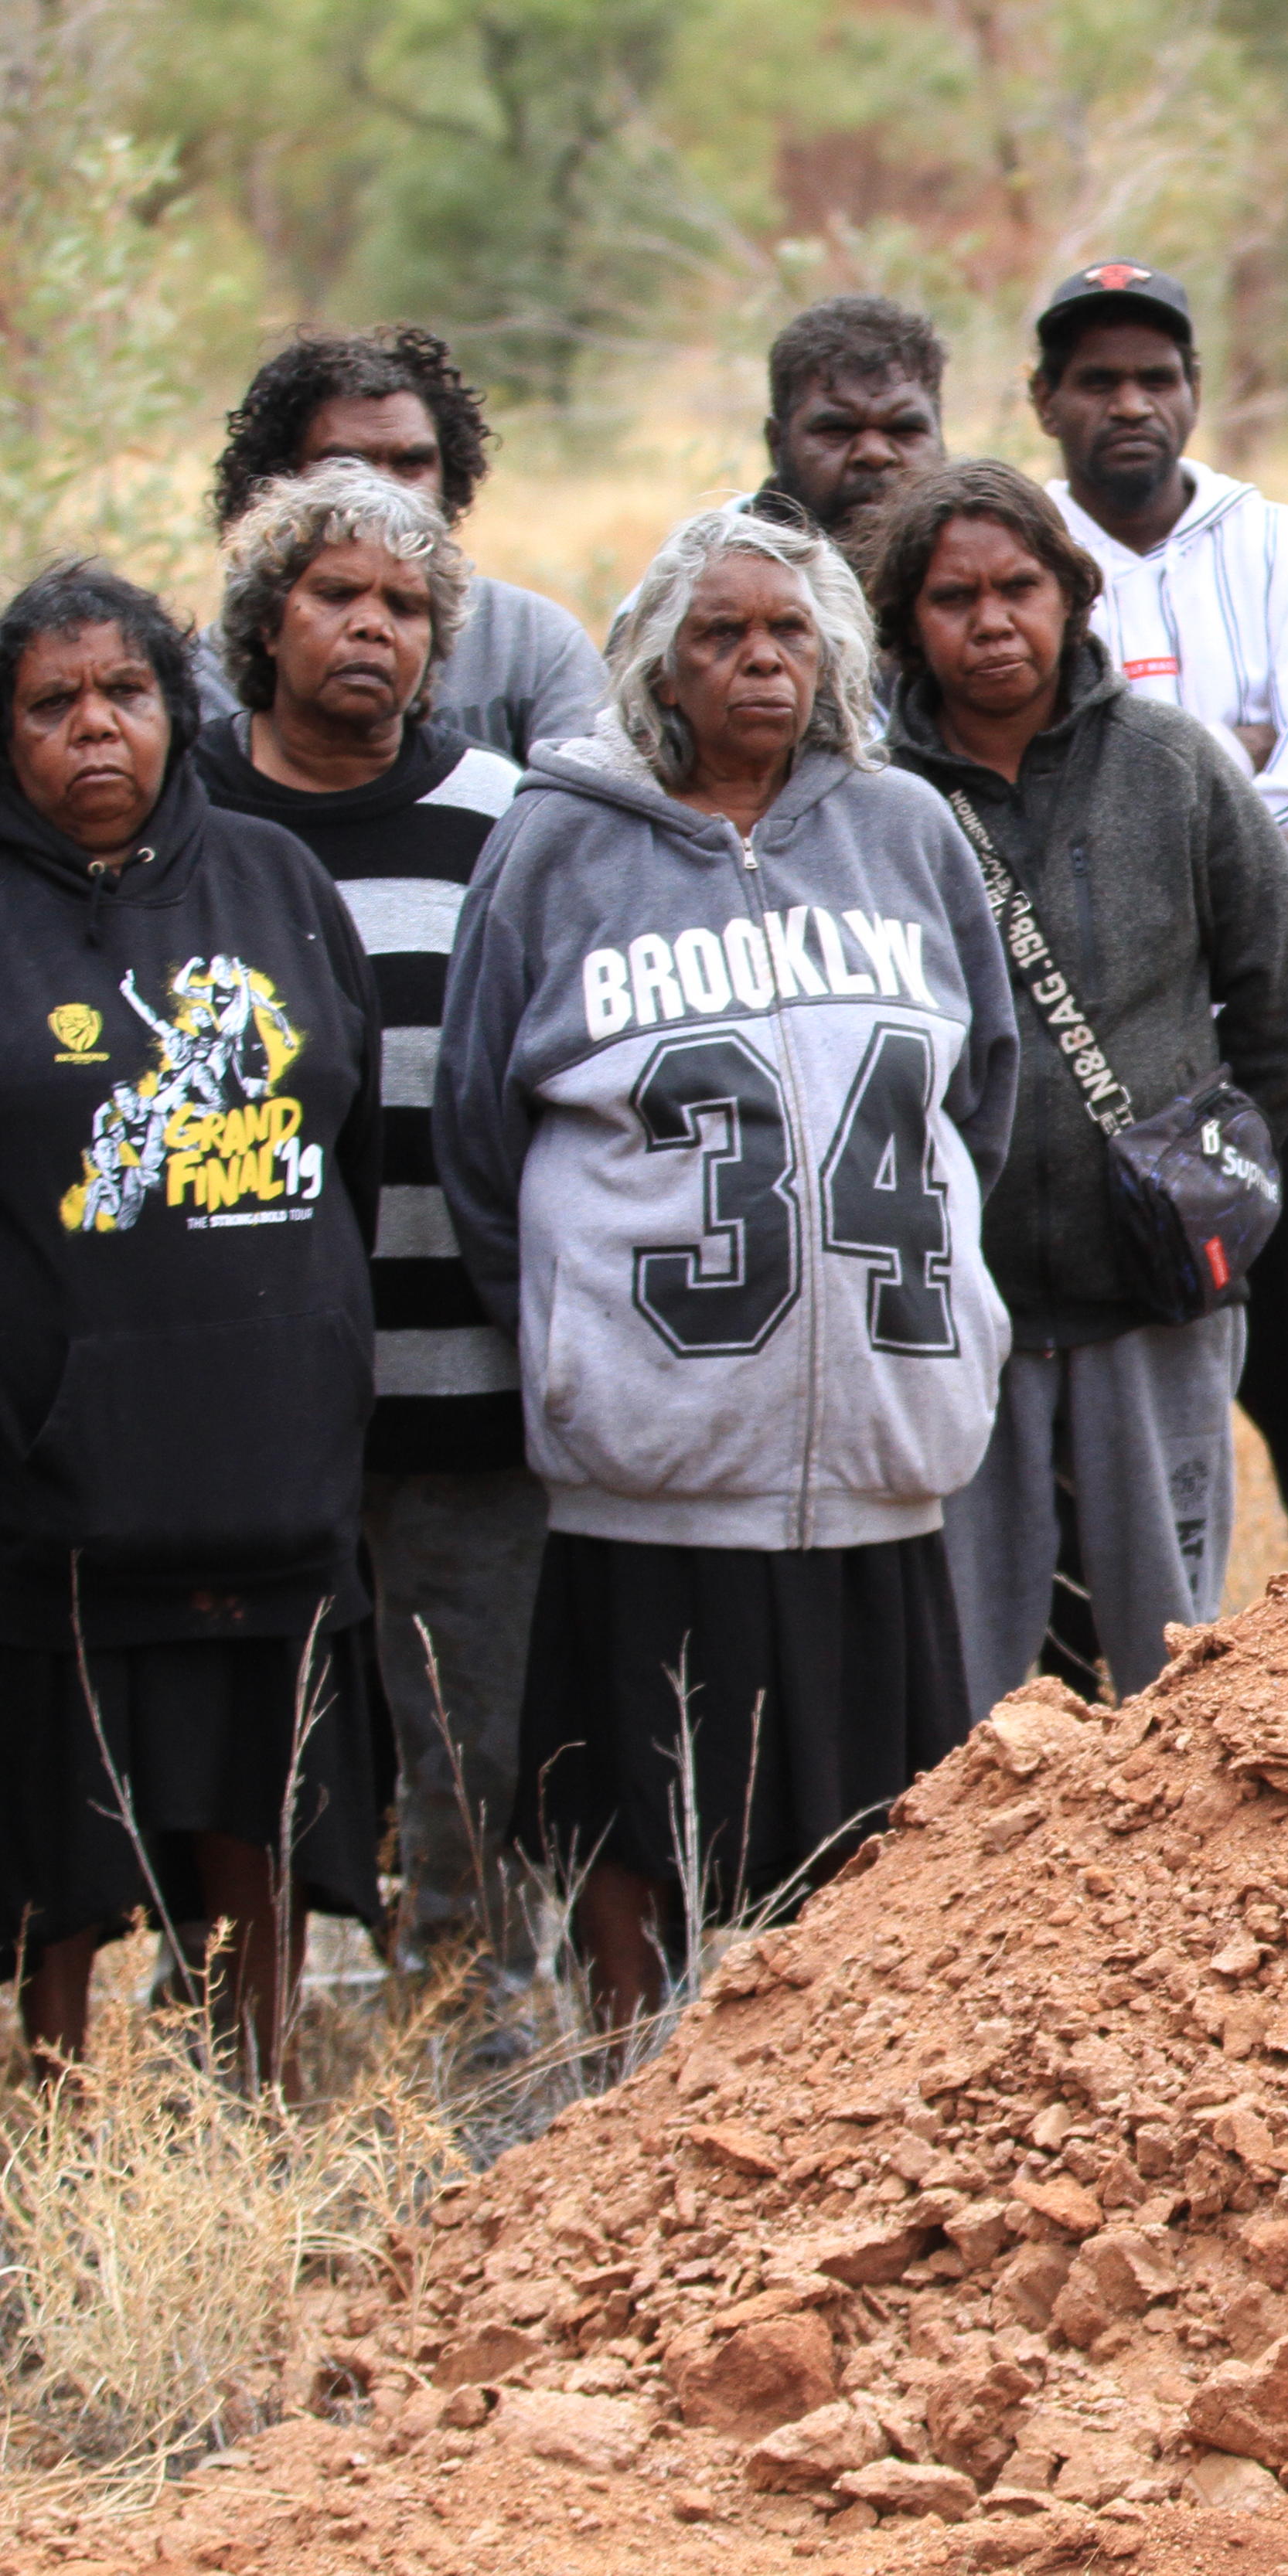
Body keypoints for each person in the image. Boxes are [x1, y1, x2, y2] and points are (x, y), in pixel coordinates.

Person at [436, 503, 1016, 2026]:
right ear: (659, 666)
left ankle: (848, 2090)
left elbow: (985, 1096)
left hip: (881, 1456)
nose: (759, 658)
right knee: (633, 1812)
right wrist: (577, 1337)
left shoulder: (905, 829)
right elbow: (480, 1133)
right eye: (720, 634)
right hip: (654, 1463)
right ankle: (624, 2103)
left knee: (885, 1822)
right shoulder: (559, 840)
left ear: (831, 655)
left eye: (787, 631)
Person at [0, 561, 388, 2087]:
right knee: (49, 1850)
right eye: (50, 704)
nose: (95, 729)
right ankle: (44, 2144)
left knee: (258, 1824)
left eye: (126, 693)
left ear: (179, 707)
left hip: (268, 1468)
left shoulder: (277, 882)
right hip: (53, 1498)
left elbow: (347, 1146)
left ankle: (262, 2104)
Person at [874, 460, 1288, 1710]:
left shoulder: (1172, 762)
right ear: (908, 620)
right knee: (961, 1682)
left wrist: (1205, 1182)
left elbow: (1284, 1006)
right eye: (954, 596)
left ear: (1071, 597)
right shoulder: (872, 798)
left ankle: (1180, 1897)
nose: (991, 620)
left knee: (1174, 1660)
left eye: (1019, 586)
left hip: (1155, 1297)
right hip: (961, 1303)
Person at [193, 463, 537, 1968]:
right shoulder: (180, 808)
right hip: (242, 1388)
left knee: (475, 1721)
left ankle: (474, 1997)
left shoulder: (504, 818)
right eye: (337, 594)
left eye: (406, 606)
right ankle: (254, 1994)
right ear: (267, 619)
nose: (371, 629)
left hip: (467, 1364)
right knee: (255, 1718)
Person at [1030, 260, 1288, 1560]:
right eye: (1098, 380)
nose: (1132, 402)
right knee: (1086, 1451)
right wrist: (1238, 763)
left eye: (1157, 377)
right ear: (1047, 401)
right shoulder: (1019, 560)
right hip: (1097, 1091)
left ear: (1194, 392)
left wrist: (1122, 828)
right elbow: (1021, 814)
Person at [206, 328, 607, 761]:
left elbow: (588, 814)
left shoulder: (532, 644)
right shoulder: (209, 669)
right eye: (346, 463)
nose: (383, 485)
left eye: (412, 463)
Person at [758, 295, 949, 541]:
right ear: (777, 443)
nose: (874, 454)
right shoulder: (709, 573)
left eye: (905, 429)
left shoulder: (993, 567)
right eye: (838, 430)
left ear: (941, 441)